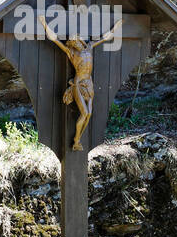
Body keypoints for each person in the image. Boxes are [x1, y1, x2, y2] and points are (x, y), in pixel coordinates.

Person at [40, 15, 120, 151]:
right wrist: (44, 24)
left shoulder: (89, 47)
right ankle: (76, 139)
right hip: (78, 83)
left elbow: (104, 38)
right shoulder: (71, 52)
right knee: (84, 113)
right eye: (72, 41)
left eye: (76, 40)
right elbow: (54, 39)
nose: (75, 42)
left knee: (89, 114)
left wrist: (116, 27)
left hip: (89, 82)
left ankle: (78, 140)